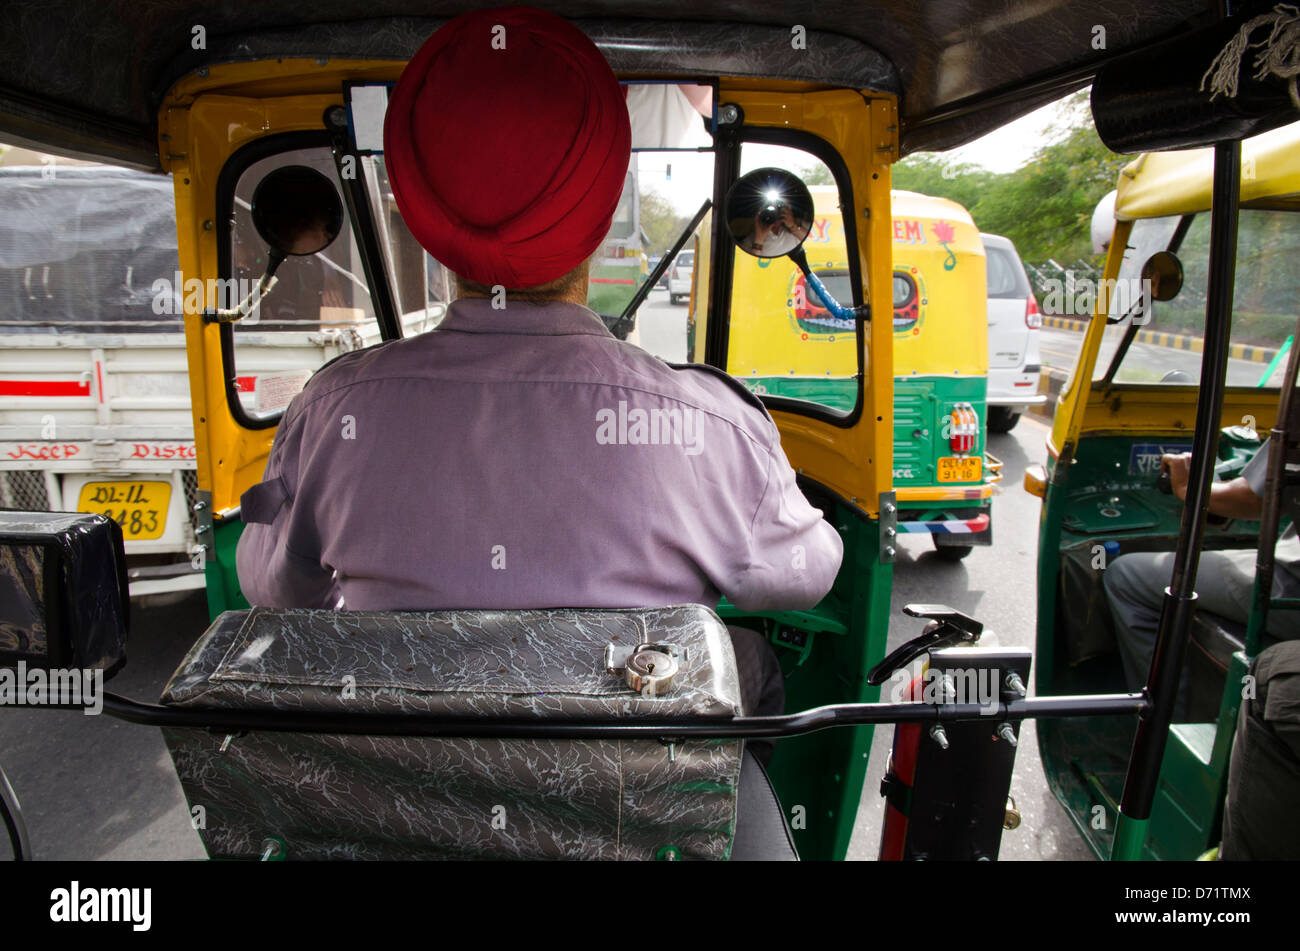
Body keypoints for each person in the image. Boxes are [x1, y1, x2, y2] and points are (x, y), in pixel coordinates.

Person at [235, 7, 843, 728]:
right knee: (749, 663)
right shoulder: (704, 424)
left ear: (425, 214)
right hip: (631, 816)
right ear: (603, 206)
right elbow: (804, 576)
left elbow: (273, 586)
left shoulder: (332, 410)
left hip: (407, 801)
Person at [1104, 438, 1300, 714]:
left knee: (1125, 576)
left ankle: (1163, 728)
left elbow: (1256, 498)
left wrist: (1186, 487)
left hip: (1292, 586)